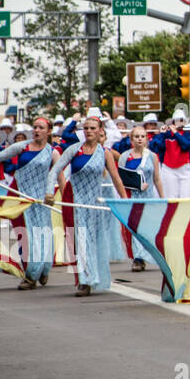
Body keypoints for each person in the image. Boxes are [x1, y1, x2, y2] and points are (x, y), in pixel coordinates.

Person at [48, 115, 130, 296]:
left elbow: (116, 178)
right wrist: (49, 192)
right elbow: (55, 169)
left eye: (93, 128)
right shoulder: (74, 149)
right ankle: (85, 281)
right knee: (82, 241)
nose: (89, 131)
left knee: (94, 241)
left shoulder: (105, 153)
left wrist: (125, 200)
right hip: (76, 203)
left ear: (101, 130)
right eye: (86, 128)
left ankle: (94, 277)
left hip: (95, 205)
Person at [0, 116, 59, 289]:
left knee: (44, 233)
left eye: (41, 128)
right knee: (29, 235)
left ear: (49, 131)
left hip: (42, 200)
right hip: (22, 199)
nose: (37, 130)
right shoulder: (22, 147)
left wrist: (53, 193)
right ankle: (31, 275)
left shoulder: (53, 153)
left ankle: (44, 269)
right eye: (35, 127)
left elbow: (57, 174)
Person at [118, 125, 165, 272]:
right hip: (133, 197)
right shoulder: (125, 156)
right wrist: (134, 186)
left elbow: (157, 178)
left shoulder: (152, 156)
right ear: (131, 139)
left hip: (148, 197)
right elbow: (120, 178)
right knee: (135, 228)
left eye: (142, 136)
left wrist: (162, 197)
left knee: (148, 228)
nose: (140, 139)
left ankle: (150, 256)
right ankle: (138, 258)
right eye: (136, 136)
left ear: (146, 139)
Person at [149, 108, 190, 203]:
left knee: (186, 197)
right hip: (169, 169)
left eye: (182, 120)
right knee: (171, 197)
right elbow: (154, 147)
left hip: (184, 167)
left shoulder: (187, 135)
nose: (180, 122)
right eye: (178, 120)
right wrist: (161, 134)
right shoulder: (167, 134)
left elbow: (186, 146)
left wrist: (176, 133)